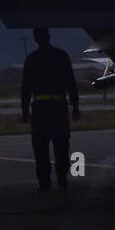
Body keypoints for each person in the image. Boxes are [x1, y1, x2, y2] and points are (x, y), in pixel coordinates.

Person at [20, 28, 80, 191]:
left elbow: (25, 88)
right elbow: (71, 83)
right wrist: (75, 106)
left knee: (40, 148)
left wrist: (25, 111)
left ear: (35, 39)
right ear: (49, 36)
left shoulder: (32, 59)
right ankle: (62, 178)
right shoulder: (61, 56)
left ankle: (44, 181)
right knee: (61, 146)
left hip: (40, 109)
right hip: (59, 108)